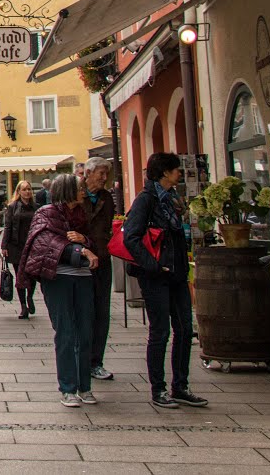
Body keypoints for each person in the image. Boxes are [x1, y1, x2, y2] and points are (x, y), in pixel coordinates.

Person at [125, 151, 208, 409]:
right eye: (175, 169)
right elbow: (131, 237)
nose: (179, 173)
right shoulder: (146, 200)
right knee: (160, 332)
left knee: (184, 329)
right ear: (164, 172)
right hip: (156, 277)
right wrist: (153, 266)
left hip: (177, 274)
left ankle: (180, 386)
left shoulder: (172, 198)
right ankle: (158, 389)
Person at [19, 173, 100, 407]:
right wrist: (80, 250)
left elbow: (94, 241)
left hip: (84, 277)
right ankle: (68, 388)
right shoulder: (46, 213)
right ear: (68, 190)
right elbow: (45, 244)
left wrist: (84, 241)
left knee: (85, 332)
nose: (84, 191)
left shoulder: (82, 213)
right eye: (80, 188)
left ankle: (85, 386)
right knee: (65, 333)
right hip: (58, 278)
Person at [80, 159, 116, 382]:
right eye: (101, 174)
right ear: (88, 172)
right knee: (83, 311)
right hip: (79, 260)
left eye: (106, 174)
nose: (104, 178)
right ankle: (81, 359)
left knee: (102, 311)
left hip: (102, 258)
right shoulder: (76, 194)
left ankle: (96, 362)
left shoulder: (107, 197)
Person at [2, 181, 39, 319]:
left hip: (32, 245)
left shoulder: (36, 207)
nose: (27, 192)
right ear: (19, 192)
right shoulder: (12, 207)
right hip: (16, 245)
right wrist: (4, 246)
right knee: (20, 276)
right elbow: (8, 226)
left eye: (29, 189)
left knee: (32, 274)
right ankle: (23, 306)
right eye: (24, 189)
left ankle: (30, 297)